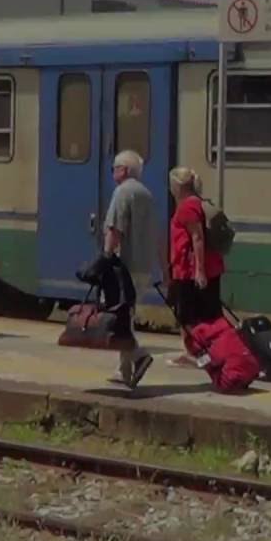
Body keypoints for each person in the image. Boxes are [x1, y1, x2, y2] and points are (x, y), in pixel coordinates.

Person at [102, 150, 155, 387]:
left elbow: (115, 229)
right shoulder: (146, 194)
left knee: (117, 317)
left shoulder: (122, 192)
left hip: (125, 267)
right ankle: (123, 370)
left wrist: (105, 258)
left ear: (124, 170)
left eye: (115, 167)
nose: (113, 171)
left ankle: (139, 355)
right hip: (143, 266)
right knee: (126, 316)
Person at [167, 167, 225, 330]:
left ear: (177, 187)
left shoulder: (187, 207)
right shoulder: (199, 203)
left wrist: (200, 271)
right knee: (208, 316)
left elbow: (197, 237)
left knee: (188, 319)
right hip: (206, 269)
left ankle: (192, 352)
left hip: (190, 272)